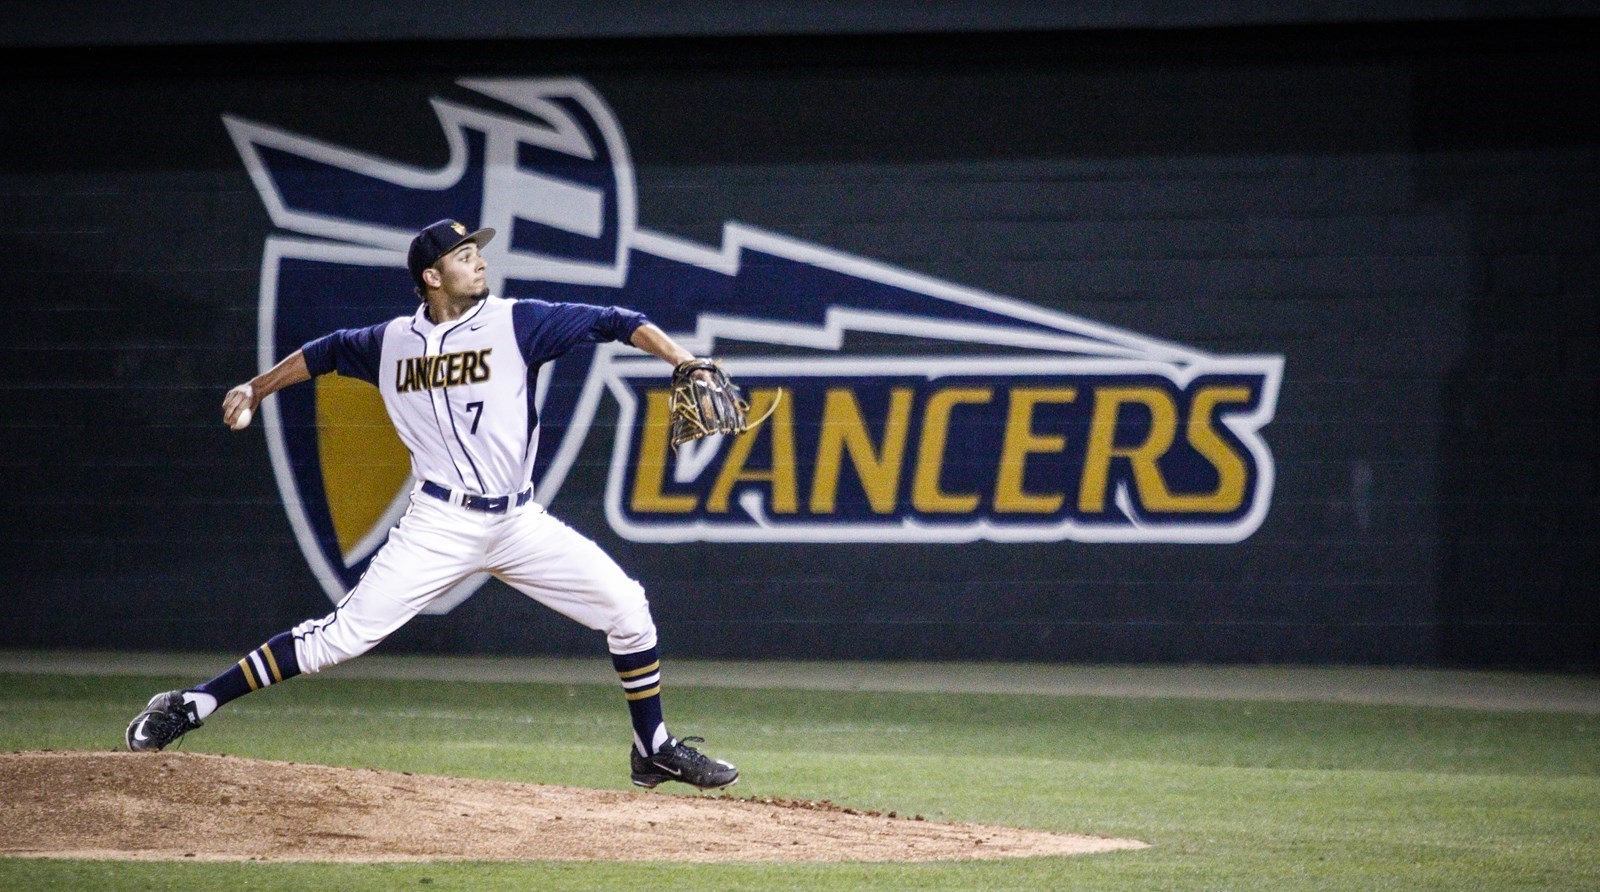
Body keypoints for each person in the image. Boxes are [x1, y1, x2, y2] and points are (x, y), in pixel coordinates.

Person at [125, 219, 738, 791]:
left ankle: (651, 746)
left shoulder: (516, 322)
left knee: (628, 607)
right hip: (440, 523)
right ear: (432, 277)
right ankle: (192, 703)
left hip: (518, 522)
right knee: (336, 641)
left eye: (478, 252)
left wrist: (681, 359)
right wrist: (255, 388)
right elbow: (324, 353)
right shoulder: (391, 341)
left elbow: (615, 319)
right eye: (464, 256)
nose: (479, 262)